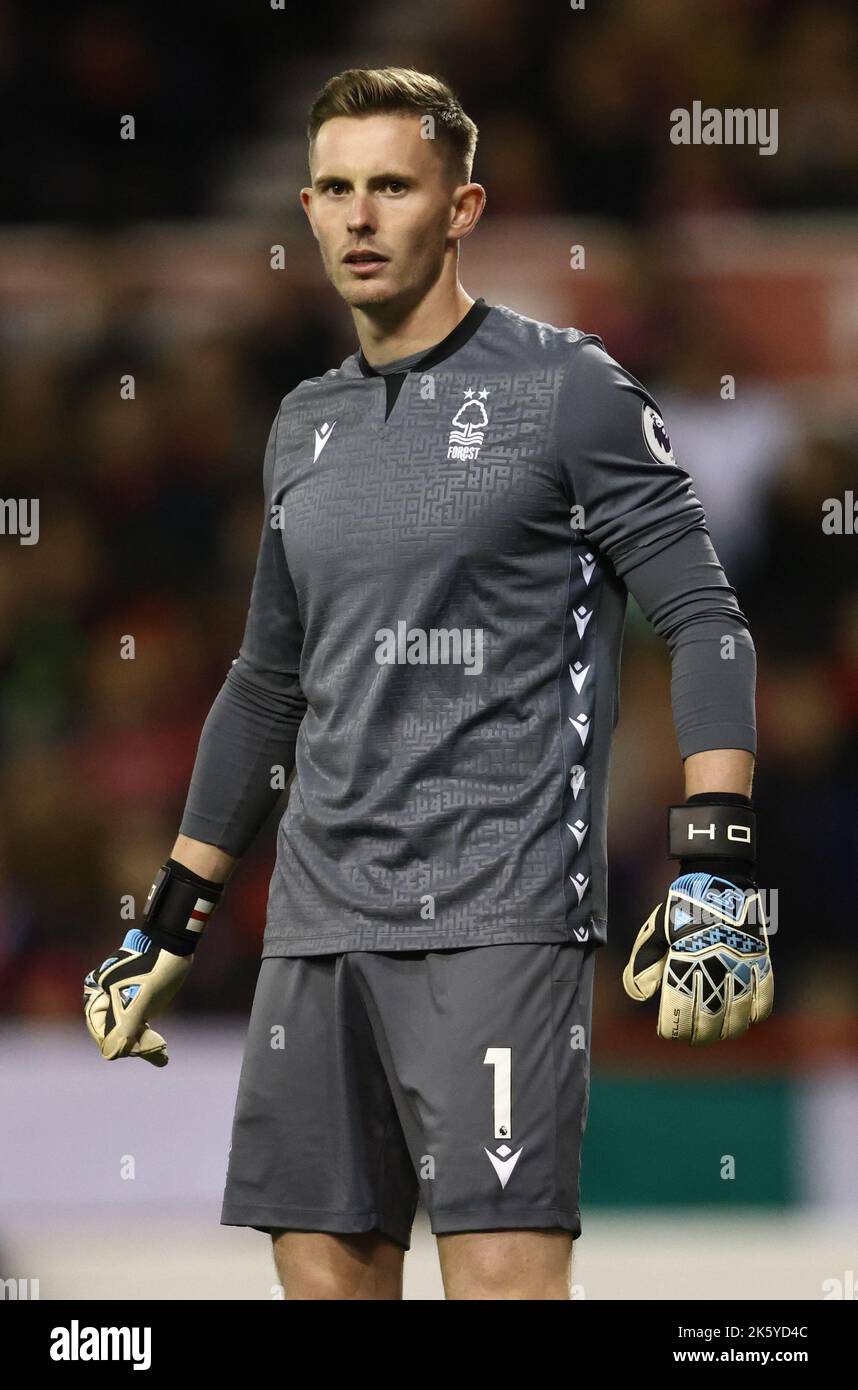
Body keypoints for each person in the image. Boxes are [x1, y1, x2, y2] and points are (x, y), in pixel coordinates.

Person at [83, 66, 773, 1301]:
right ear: (303, 207)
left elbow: (707, 621)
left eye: (392, 186)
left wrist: (715, 860)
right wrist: (170, 917)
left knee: (503, 1285)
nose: (359, 217)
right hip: (315, 928)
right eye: (336, 189)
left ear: (461, 207)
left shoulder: (571, 389)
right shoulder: (302, 424)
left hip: (496, 919)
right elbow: (264, 685)